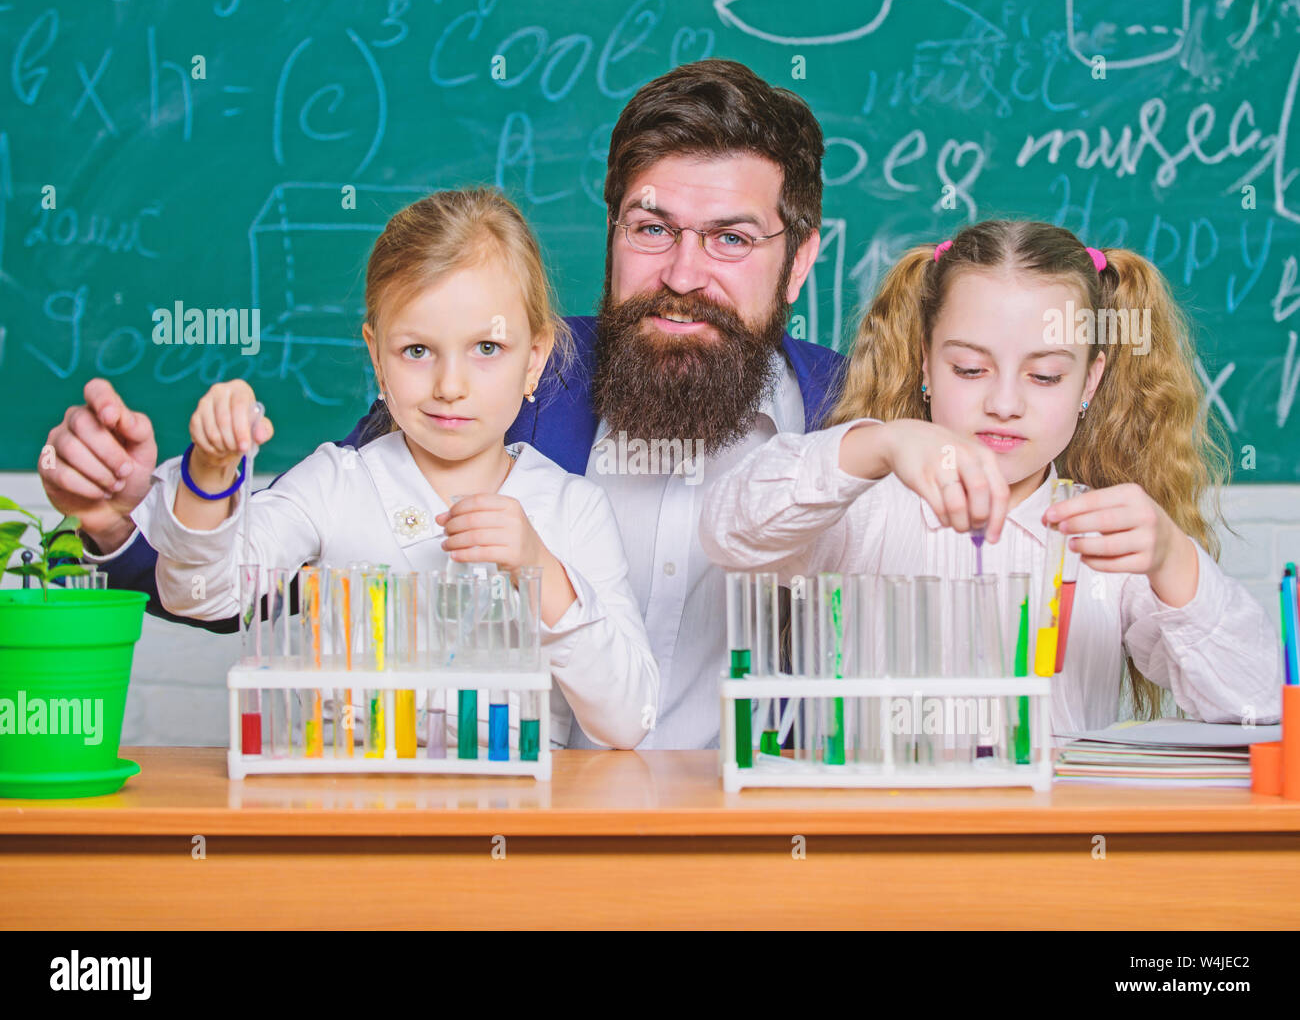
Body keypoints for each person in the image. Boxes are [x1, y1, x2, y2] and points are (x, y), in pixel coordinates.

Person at [40, 59, 846, 748]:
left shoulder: (846, 413)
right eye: (651, 228)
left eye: (732, 239)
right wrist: (118, 521)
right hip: (516, 834)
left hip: (755, 844)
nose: (681, 273)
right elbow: (269, 574)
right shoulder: (496, 362)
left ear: (800, 259)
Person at [699, 219, 1280, 733]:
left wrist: (1173, 560)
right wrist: (877, 444)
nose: (1004, 403)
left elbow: (1257, 704)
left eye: (1046, 375)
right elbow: (728, 531)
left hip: (1050, 848)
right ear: (926, 362)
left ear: (1091, 381)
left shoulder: (1105, 544)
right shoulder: (861, 506)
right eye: (971, 368)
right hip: (872, 840)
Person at [130, 187, 659, 750]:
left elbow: (627, 720)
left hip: (507, 823)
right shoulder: (335, 484)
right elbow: (202, 595)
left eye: (486, 348)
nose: (449, 386)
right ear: (376, 356)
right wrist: (209, 475)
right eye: (415, 351)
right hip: (350, 822)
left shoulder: (571, 511)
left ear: (535, 358)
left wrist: (541, 569)